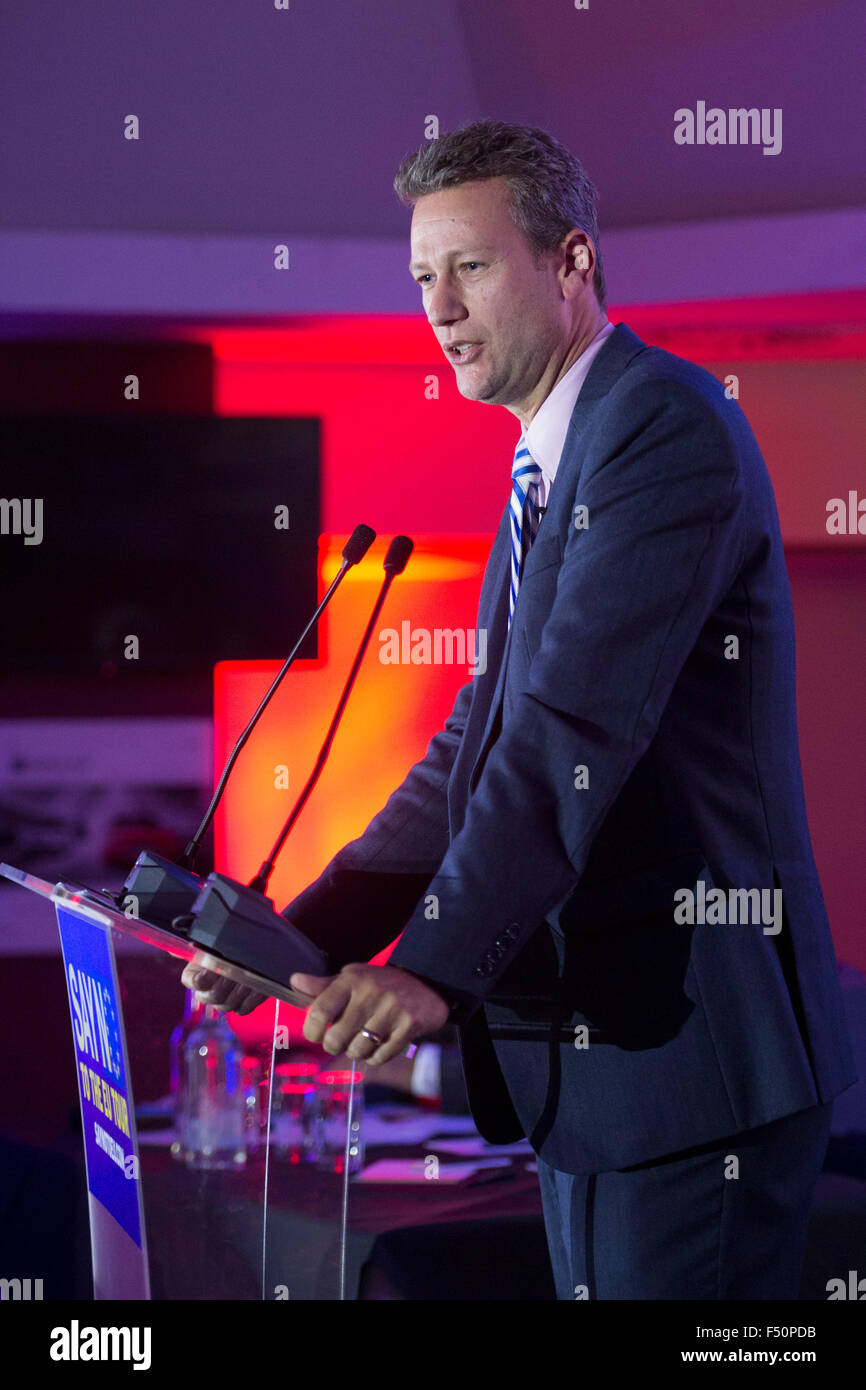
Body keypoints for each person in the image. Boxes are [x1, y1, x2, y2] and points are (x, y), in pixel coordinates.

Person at [184, 120, 857, 1299]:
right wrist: (302, 937)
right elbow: (468, 755)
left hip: (690, 1060)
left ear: (571, 262)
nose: (436, 307)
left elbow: (565, 737)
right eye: (420, 278)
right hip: (596, 1066)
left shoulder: (659, 429)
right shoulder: (550, 462)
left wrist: (429, 969)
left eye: (470, 267)